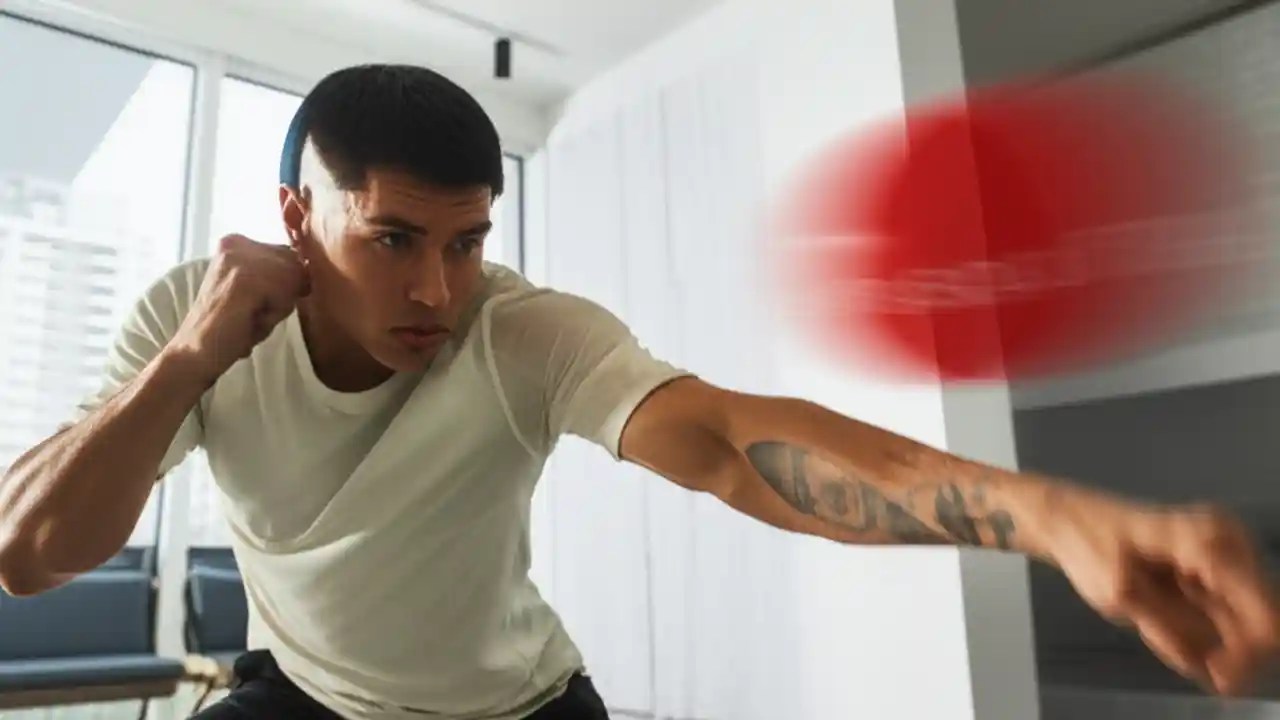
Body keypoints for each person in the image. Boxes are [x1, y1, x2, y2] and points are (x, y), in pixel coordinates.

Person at [0, 63, 1276, 719]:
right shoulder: (194, 319)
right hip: (305, 699)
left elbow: (725, 442)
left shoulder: (518, 333)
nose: (437, 288)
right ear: (296, 214)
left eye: (467, 240)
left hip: (515, 711)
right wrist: (190, 362)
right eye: (393, 239)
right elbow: (29, 551)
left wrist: (1050, 517)